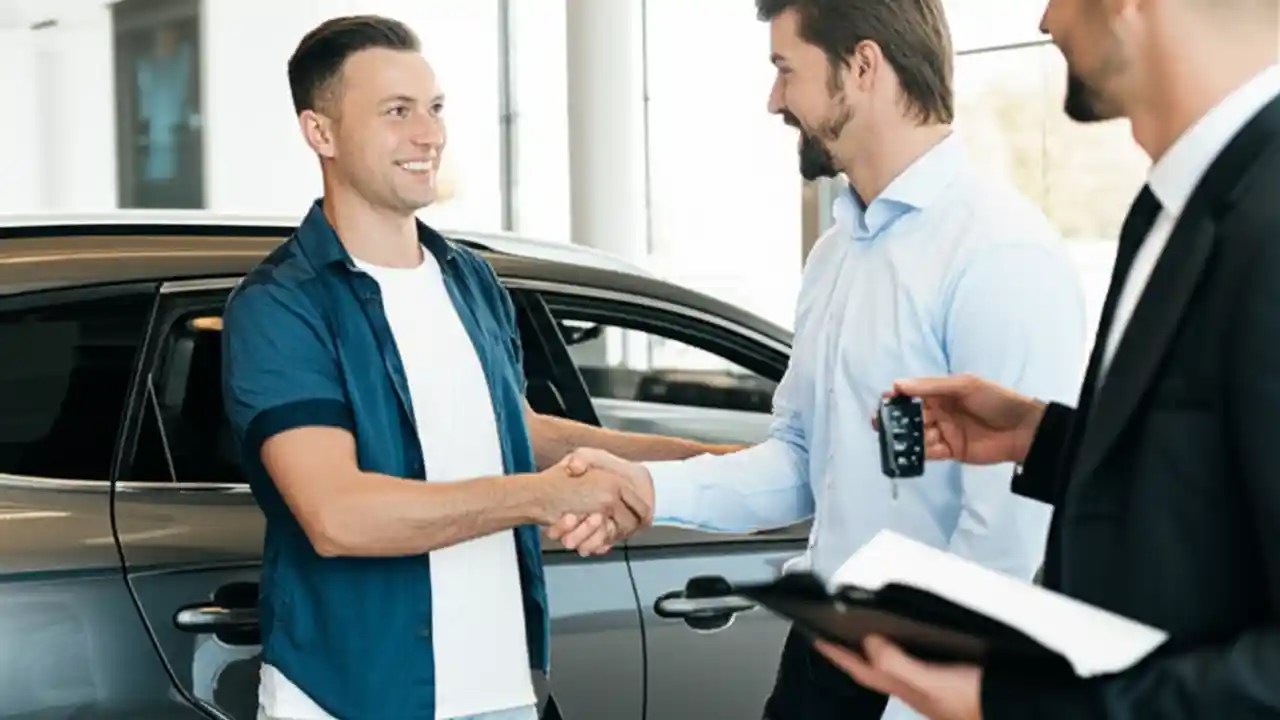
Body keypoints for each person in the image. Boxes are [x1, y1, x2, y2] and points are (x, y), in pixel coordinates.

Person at [552, 1, 1088, 718]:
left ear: (862, 67)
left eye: (785, 70)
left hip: (917, 681)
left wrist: (914, 707)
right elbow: (802, 462)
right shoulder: (839, 250)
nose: (775, 99)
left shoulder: (999, 253)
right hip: (820, 658)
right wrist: (650, 489)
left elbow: (1007, 542)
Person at [222, 15, 733, 720]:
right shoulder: (282, 306)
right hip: (353, 698)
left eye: (434, 109)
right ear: (322, 133)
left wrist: (709, 461)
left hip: (503, 689)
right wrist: (544, 497)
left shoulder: (469, 280)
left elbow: (515, 429)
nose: (429, 135)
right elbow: (339, 515)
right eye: (397, 112)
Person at [809, 0, 1280, 718]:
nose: (1044, 21)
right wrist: (1044, 438)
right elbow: (1218, 490)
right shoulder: (1170, 207)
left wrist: (1019, 705)